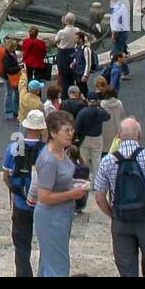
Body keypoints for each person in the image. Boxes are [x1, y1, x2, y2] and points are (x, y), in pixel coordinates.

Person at [94, 117, 145, 277]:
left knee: (127, 269)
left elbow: (99, 197)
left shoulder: (107, 161)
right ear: (139, 135)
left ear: (118, 135)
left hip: (121, 219)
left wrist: (112, 214)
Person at [31, 109, 89, 276]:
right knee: (57, 265)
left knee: (51, 261)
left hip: (62, 214)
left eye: (71, 129)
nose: (71, 134)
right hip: (52, 217)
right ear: (53, 133)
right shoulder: (49, 160)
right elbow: (44, 196)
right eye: (66, 130)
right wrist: (73, 194)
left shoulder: (61, 151)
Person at [3, 108, 46, 277]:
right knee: (46, 244)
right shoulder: (48, 150)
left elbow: (6, 175)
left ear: (27, 126)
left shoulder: (14, 147)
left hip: (21, 202)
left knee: (21, 245)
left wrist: (14, 191)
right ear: (42, 128)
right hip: (43, 204)